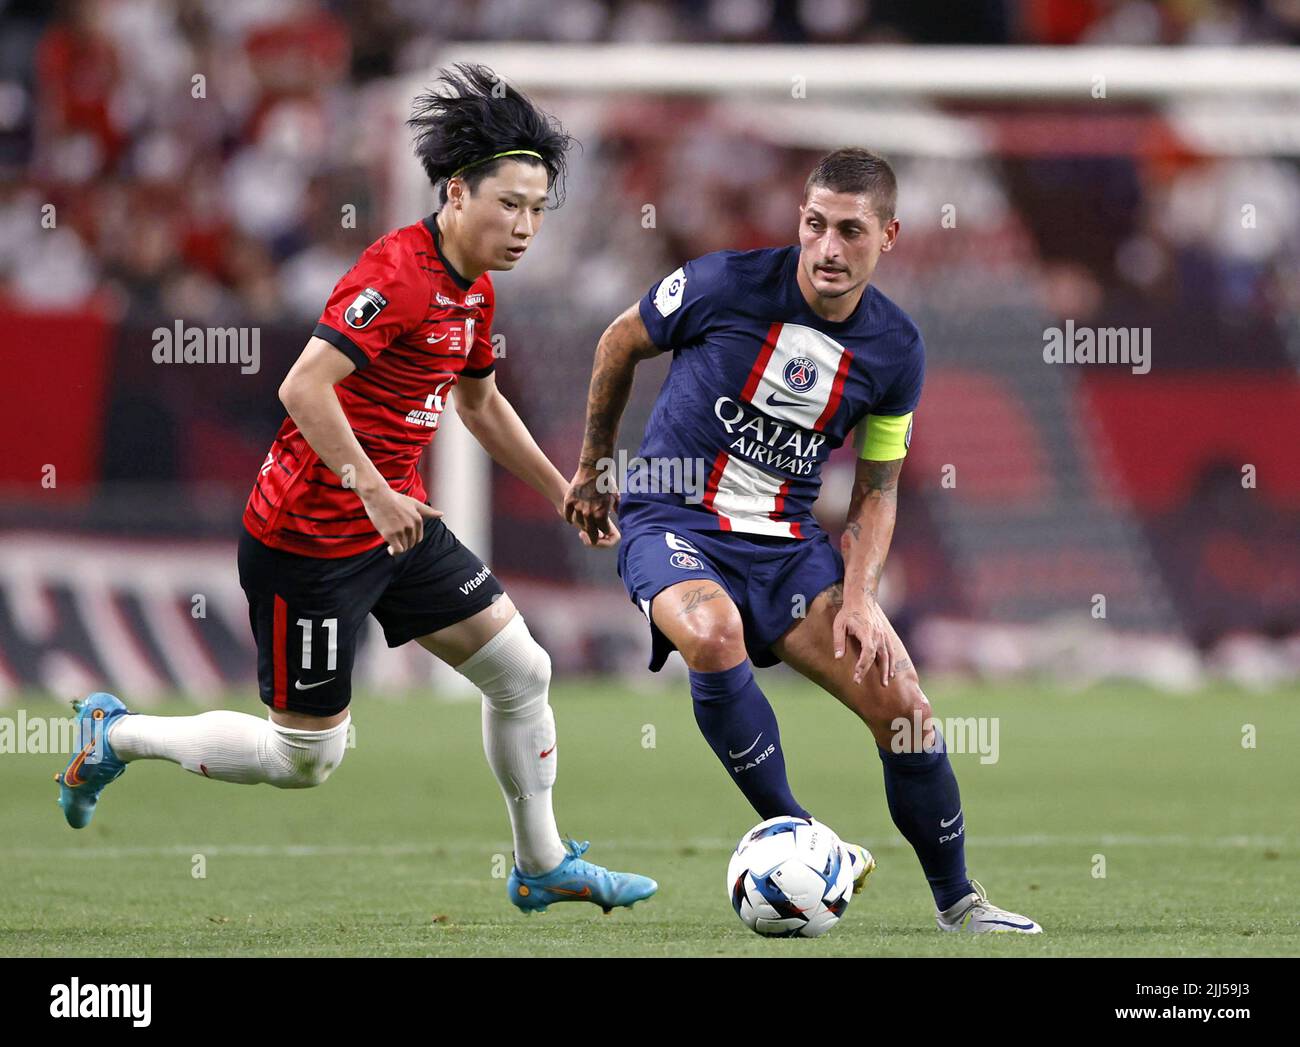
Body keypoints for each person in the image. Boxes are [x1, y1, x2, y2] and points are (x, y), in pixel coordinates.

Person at [56, 64, 656, 917]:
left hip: (396, 523)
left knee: (523, 668)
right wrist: (374, 490)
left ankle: (541, 863)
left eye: (537, 209)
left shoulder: (475, 289)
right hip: (311, 537)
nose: (526, 227)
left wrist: (563, 489)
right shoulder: (398, 276)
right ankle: (116, 734)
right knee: (306, 761)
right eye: (510, 204)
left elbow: (479, 402)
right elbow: (303, 386)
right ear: (457, 192)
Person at [565, 147, 1039, 933]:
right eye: (814, 224)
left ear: (889, 235)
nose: (827, 247)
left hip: (786, 547)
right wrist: (590, 467)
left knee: (906, 707)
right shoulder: (722, 283)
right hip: (673, 521)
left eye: (850, 230)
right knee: (711, 634)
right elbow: (620, 339)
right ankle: (806, 837)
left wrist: (860, 596)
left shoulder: (896, 350)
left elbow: (878, 489)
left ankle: (961, 903)